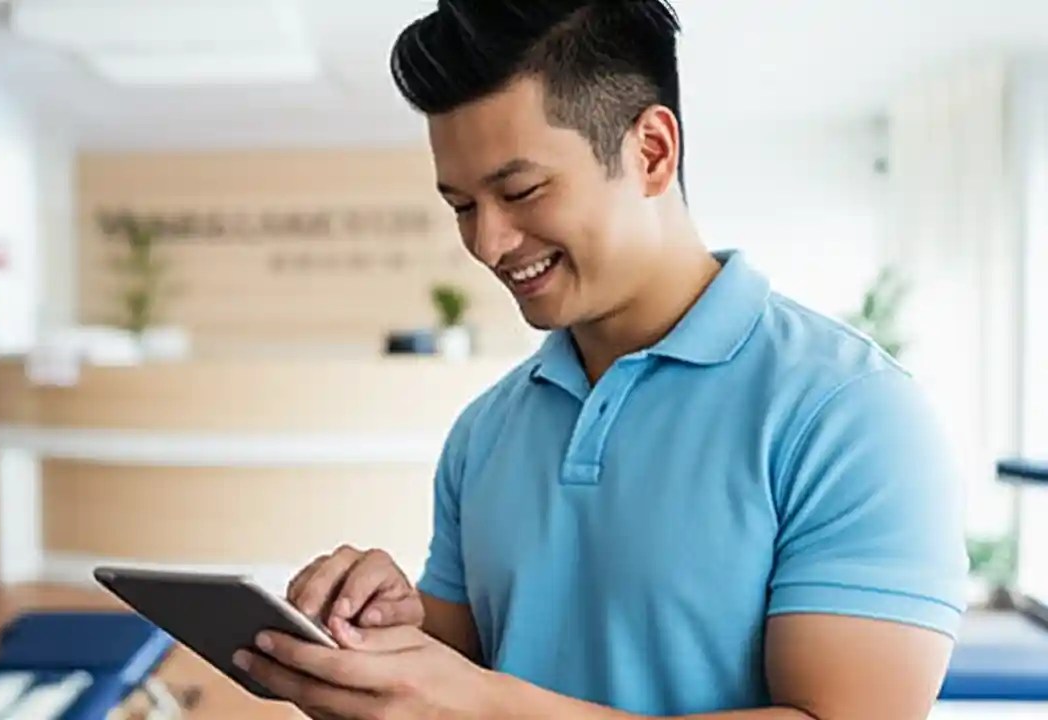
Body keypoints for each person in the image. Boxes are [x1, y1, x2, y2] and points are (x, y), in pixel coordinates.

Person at [232, 2, 969, 717]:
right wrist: (392, 631)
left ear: (651, 151)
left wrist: (483, 709)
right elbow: (465, 665)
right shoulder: (485, 431)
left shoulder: (851, 414)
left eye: (520, 191)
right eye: (461, 206)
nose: (488, 244)